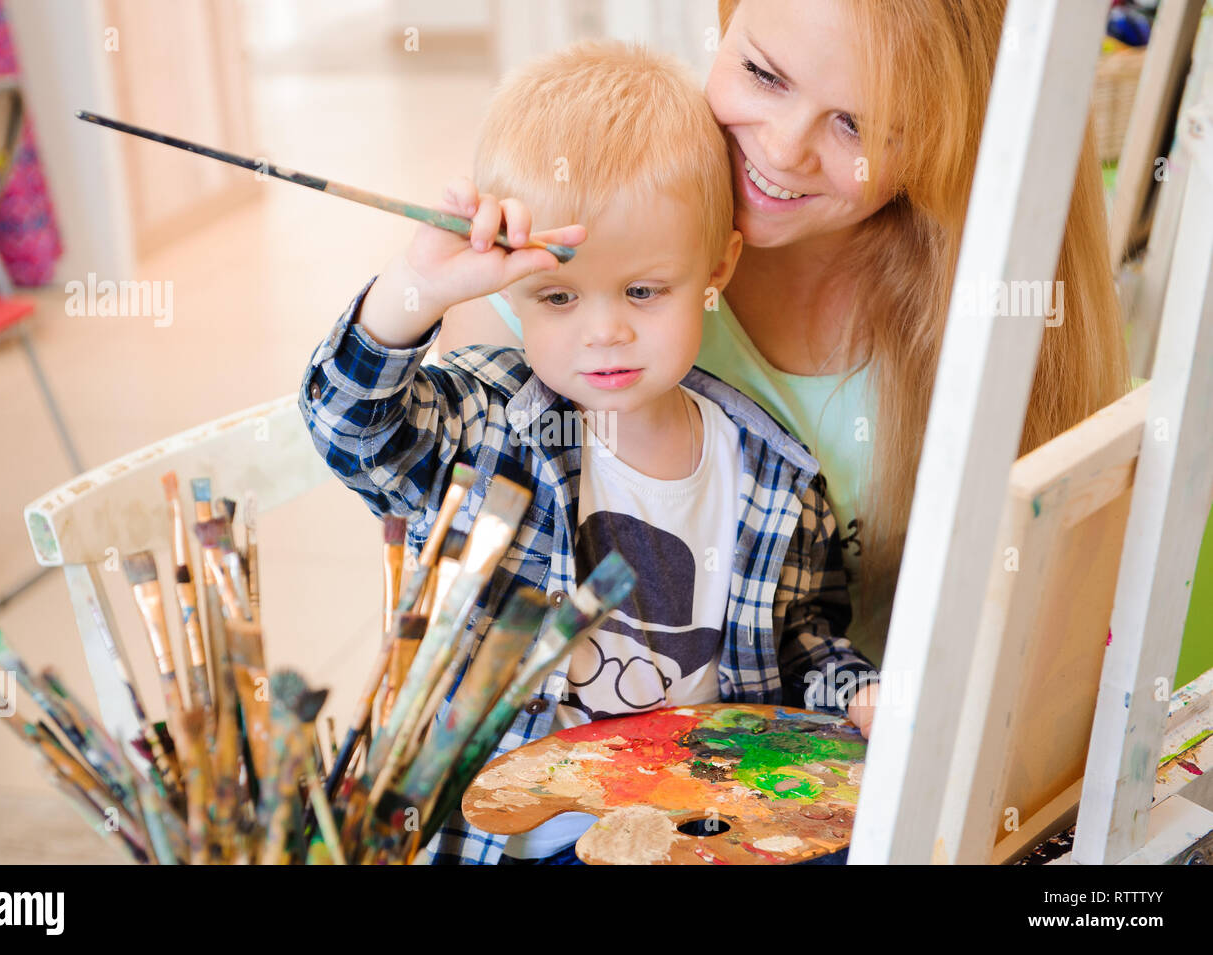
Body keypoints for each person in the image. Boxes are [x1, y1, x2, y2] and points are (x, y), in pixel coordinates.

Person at [300, 40, 878, 865]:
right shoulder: (490, 428)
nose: (604, 330)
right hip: (529, 841)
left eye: (643, 291)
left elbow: (804, 644)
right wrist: (414, 291)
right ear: (509, 288)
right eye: (559, 296)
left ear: (716, 266)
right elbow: (348, 426)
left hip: (709, 830)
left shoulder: (775, 475)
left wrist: (863, 694)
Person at [438, 0, 1132, 675]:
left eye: (855, 126)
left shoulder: (984, 313)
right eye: (764, 75)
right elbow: (439, 615)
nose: (780, 148)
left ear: (936, 147)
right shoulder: (548, 271)